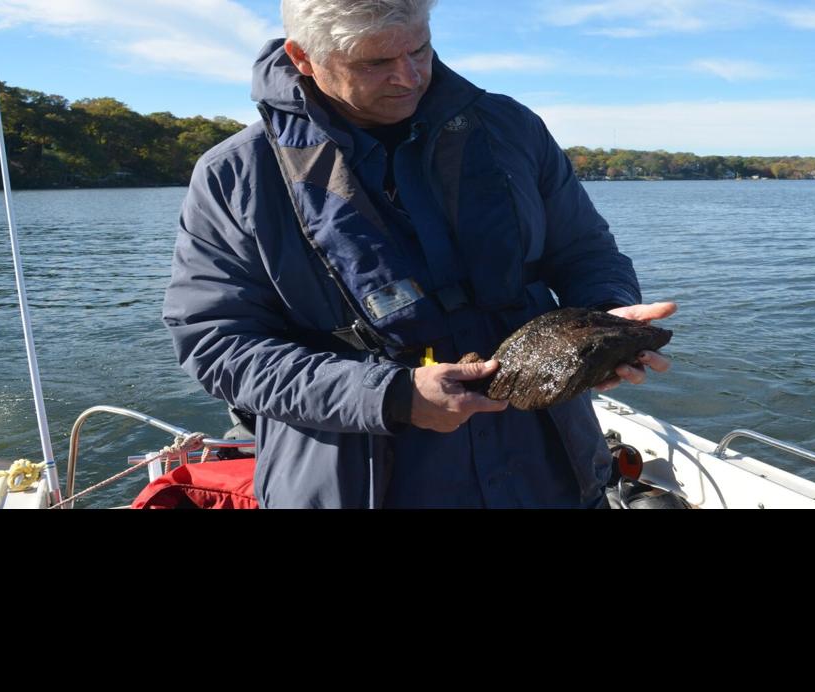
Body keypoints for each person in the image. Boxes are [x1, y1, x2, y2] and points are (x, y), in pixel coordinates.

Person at [162, 0, 673, 507]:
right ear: (302, 57)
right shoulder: (234, 174)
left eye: (420, 49)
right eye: (374, 63)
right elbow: (215, 343)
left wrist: (609, 316)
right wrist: (390, 395)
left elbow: (586, 250)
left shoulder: (512, 128)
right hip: (358, 484)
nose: (408, 77)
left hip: (550, 473)